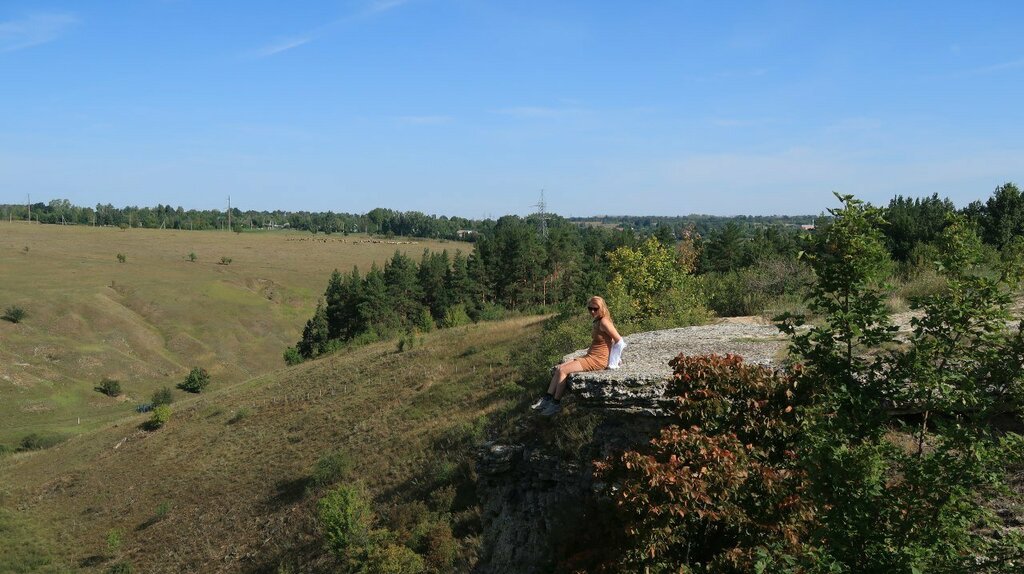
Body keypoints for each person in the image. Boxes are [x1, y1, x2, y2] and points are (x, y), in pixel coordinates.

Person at [532, 296, 624, 416]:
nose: (592, 311)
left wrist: (614, 361)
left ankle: (555, 404)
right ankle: (547, 399)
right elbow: (606, 341)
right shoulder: (597, 320)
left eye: (595, 309)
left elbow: (619, 341)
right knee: (559, 368)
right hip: (590, 356)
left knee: (563, 371)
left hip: (597, 360)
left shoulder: (604, 322)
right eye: (590, 308)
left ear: (602, 308)